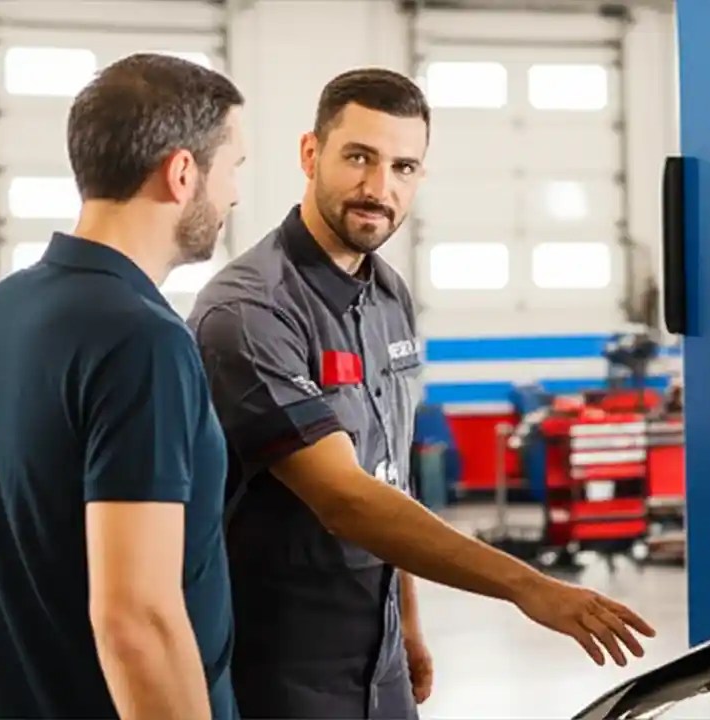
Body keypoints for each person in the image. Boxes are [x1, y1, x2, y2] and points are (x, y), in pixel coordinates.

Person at [187, 67, 655, 720]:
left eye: (403, 167)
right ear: (310, 154)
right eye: (359, 158)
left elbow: (390, 474)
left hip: (379, 666)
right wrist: (526, 587)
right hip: (281, 672)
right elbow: (346, 499)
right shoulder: (249, 312)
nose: (380, 188)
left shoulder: (388, 296)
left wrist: (406, 622)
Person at [0, 53, 247, 719]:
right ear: (182, 173)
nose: (231, 194)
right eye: (232, 168)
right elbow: (136, 619)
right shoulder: (142, 341)